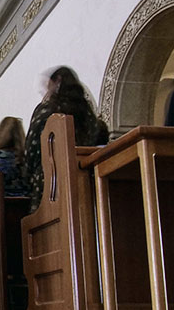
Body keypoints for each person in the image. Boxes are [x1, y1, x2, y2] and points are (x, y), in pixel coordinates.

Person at [23, 66, 109, 212]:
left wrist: (29, 178)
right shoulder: (88, 114)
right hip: (86, 183)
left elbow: (31, 150)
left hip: (51, 186)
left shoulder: (47, 110)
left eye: (48, 85)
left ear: (58, 81)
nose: (45, 90)